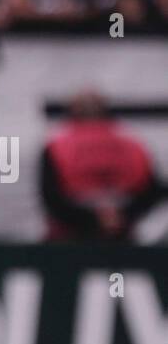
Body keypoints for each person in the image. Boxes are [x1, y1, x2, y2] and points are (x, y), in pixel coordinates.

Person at [41, 90, 165, 242]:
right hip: (122, 238)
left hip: (70, 239)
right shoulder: (134, 145)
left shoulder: (56, 146)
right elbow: (153, 191)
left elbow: (51, 198)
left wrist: (93, 219)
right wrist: (122, 216)